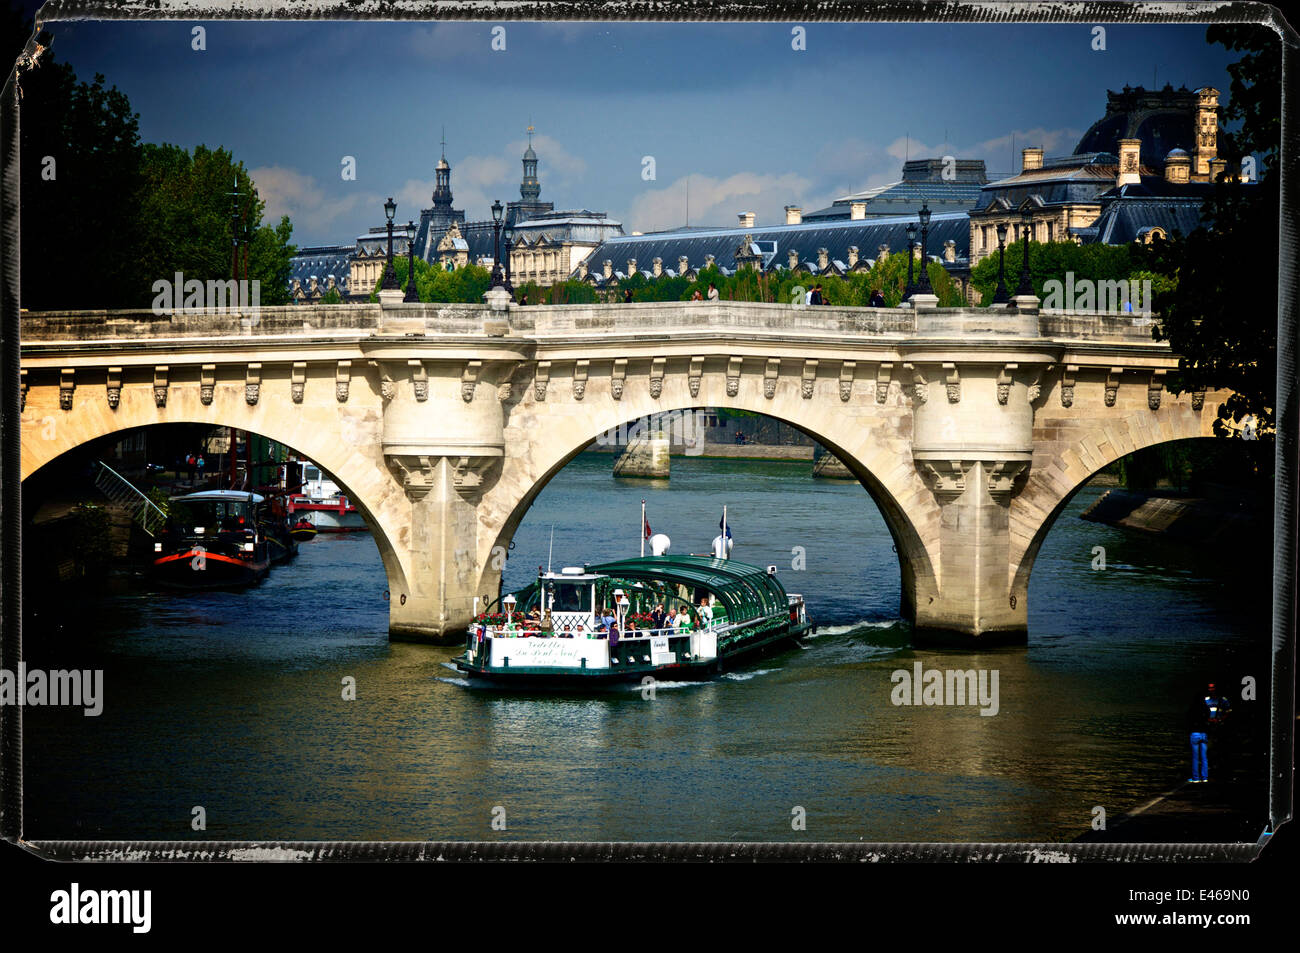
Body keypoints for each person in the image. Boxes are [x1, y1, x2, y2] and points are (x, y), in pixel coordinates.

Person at [1186, 681, 1232, 783]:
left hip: (1217, 727)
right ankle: (1206, 775)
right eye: (1209, 688)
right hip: (1207, 728)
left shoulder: (1222, 700)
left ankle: (1202, 776)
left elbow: (1228, 712)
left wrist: (1220, 720)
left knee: (1213, 751)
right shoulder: (1205, 700)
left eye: (1213, 688)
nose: (1211, 690)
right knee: (1206, 753)